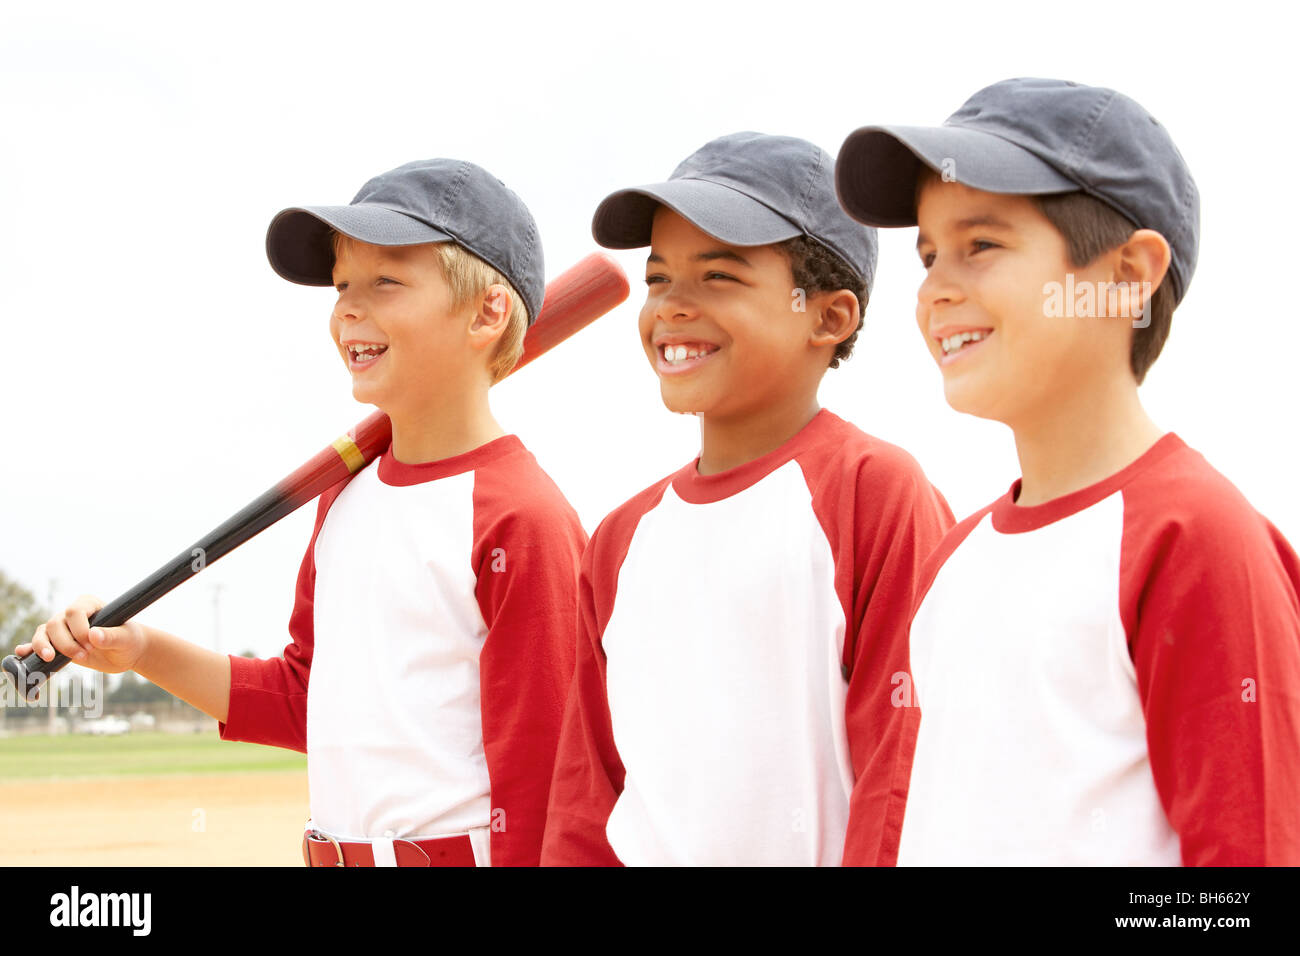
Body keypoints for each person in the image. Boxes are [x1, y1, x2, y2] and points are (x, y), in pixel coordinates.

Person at [20, 158, 588, 867]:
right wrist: (142, 651)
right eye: (343, 284)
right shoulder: (346, 497)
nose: (348, 308)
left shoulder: (522, 518)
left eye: (385, 281)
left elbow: (545, 783)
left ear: (487, 312)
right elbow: (303, 699)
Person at [835, 77, 1300, 864]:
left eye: (980, 245)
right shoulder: (953, 563)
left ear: (1128, 275)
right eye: (927, 254)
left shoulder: (1196, 539)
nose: (935, 289)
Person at [541, 132, 954, 866]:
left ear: (828, 317)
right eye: (659, 279)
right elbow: (587, 793)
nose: (672, 307)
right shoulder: (620, 539)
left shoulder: (873, 493)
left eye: (720, 277)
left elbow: (907, 776)